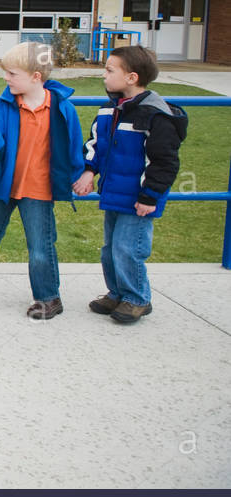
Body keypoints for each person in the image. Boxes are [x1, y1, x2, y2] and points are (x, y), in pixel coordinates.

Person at [0, 42, 87, 320]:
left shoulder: (62, 108)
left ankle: (48, 298)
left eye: (12, 74)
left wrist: (78, 175)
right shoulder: (1, 107)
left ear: (36, 76)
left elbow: (73, 144)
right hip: (3, 187)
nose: (6, 79)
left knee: (40, 246)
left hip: (40, 190)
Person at [73, 45, 187, 324]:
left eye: (110, 70)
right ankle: (117, 293)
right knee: (110, 248)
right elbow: (95, 145)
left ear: (132, 77)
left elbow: (163, 162)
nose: (104, 75)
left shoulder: (155, 116)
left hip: (139, 199)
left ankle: (137, 298)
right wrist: (89, 171)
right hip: (114, 194)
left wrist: (149, 196)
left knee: (129, 248)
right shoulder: (109, 110)